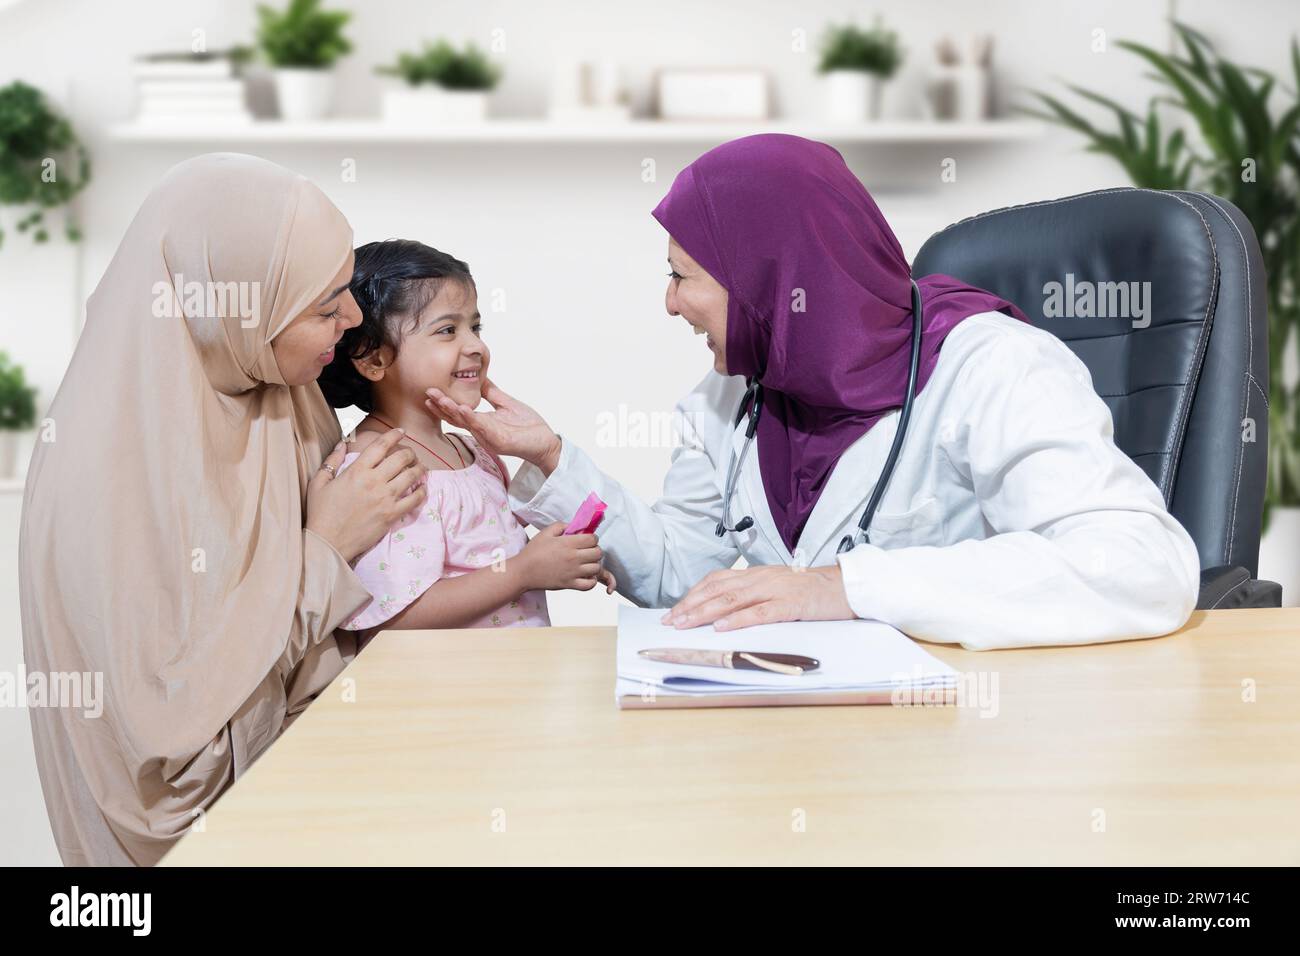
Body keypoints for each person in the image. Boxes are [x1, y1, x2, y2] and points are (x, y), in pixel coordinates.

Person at [427, 134, 1201, 651]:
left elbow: (1142, 567)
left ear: (772, 280)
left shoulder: (994, 368)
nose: (669, 304)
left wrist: (843, 588)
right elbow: (680, 577)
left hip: (976, 742)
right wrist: (553, 458)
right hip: (804, 741)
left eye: (682, 277)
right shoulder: (731, 398)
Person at [20, 153, 425, 866]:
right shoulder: (98, 467)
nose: (355, 317)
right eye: (325, 305)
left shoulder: (282, 392)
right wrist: (326, 549)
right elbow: (171, 735)